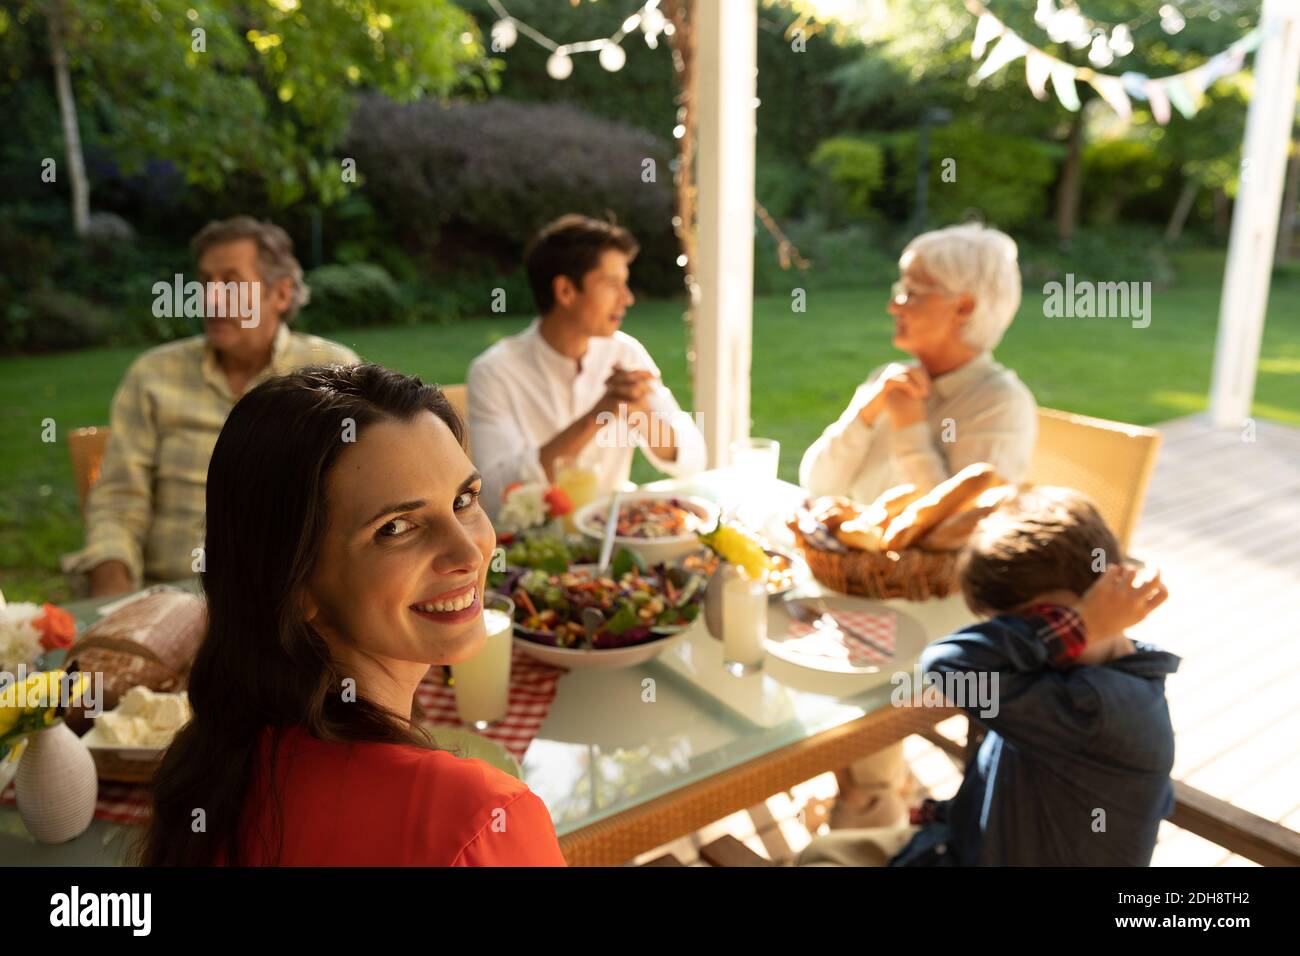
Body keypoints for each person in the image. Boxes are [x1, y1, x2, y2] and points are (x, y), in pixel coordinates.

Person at [139, 364, 566, 866]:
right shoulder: (480, 820)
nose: (469, 553)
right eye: (397, 526)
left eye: (464, 500)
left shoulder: (210, 767)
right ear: (295, 582)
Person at [799, 223, 1038, 826]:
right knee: (762, 625)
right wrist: (866, 410)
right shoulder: (892, 377)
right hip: (857, 583)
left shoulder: (998, 403)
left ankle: (868, 811)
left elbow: (949, 527)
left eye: (913, 291)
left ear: (963, 308)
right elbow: (818, 482)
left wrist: (908, 426)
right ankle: (876, 785)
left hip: (942, 609)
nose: (894, 303)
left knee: (842, 665)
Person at [798, 488, 1175, 867]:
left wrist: (1082, 624)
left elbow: (948, 665)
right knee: (821, 854)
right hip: (961, 841)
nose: (1018, 636)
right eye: (1003, 624)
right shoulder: (1110, 675)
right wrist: (946, 814)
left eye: (1032, 621)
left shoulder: (1094, 708)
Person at [62, 216, 359, 597]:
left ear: (281, 294)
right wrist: (117, 600)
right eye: (204, 282)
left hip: (294, 598)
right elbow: (119, 500)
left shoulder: (330, 370)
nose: (211, 298)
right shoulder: (154, 374)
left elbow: (361, 500)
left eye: (231, 283)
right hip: (170, 595)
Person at [467, 214, 706, 519]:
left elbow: (693, 458)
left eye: (625, 284)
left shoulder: (626, 354)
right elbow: (496, 495)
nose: (628, 298)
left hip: (612, 536)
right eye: (612, 284)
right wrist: (597, 415)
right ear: (566, 291)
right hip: (533, 549)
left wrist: (641, 412)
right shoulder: (495, 372)